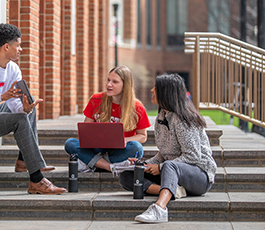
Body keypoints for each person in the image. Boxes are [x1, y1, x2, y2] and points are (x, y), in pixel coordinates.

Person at [0, 23, 67, 195]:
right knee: (19, 119)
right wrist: (1, 97)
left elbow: (14, 106)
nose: (21, 49)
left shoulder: (13, 68)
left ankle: (23, 161)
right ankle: (36, 179)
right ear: (6, 47)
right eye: (18, 45)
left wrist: (25, 108)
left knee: (28, 108)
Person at [119, 73, 217, 223]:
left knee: (170, 166)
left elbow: (193, 156)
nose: (152, 90)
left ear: (166, 92)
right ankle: (171, 190)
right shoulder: (161, 119)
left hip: (199, 176)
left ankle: (160, 208)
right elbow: (164, 154)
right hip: (171, 172)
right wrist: (143, 164)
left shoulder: (184, 120)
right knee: (129, 174)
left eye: (156, 88)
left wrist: (160, 167)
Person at [64, 65, 151, 175]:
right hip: (97, 148)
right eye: (108, 80)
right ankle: (109, 166)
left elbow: (143, 136)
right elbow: (86, 130)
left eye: (115, 82)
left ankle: (93, 163)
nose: (109, 84)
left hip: (120, 150)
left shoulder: (137, 107)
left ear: (125, 85)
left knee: (137, 148)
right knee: (70, 143)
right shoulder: (96, 99)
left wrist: (126, 140)